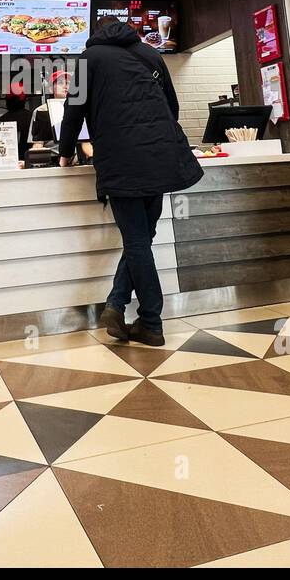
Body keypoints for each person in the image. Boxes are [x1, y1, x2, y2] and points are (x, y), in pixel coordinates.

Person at [58, 20, 204, 346]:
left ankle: (151, 322)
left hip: (121, 162)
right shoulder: (151, 54)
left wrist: (65, 152)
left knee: (137, 241)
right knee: (142, 238)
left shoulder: (88, 59)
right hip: (159, 159)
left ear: (93, 35)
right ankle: (117, 304)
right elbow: (172, 108)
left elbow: (73, 110)